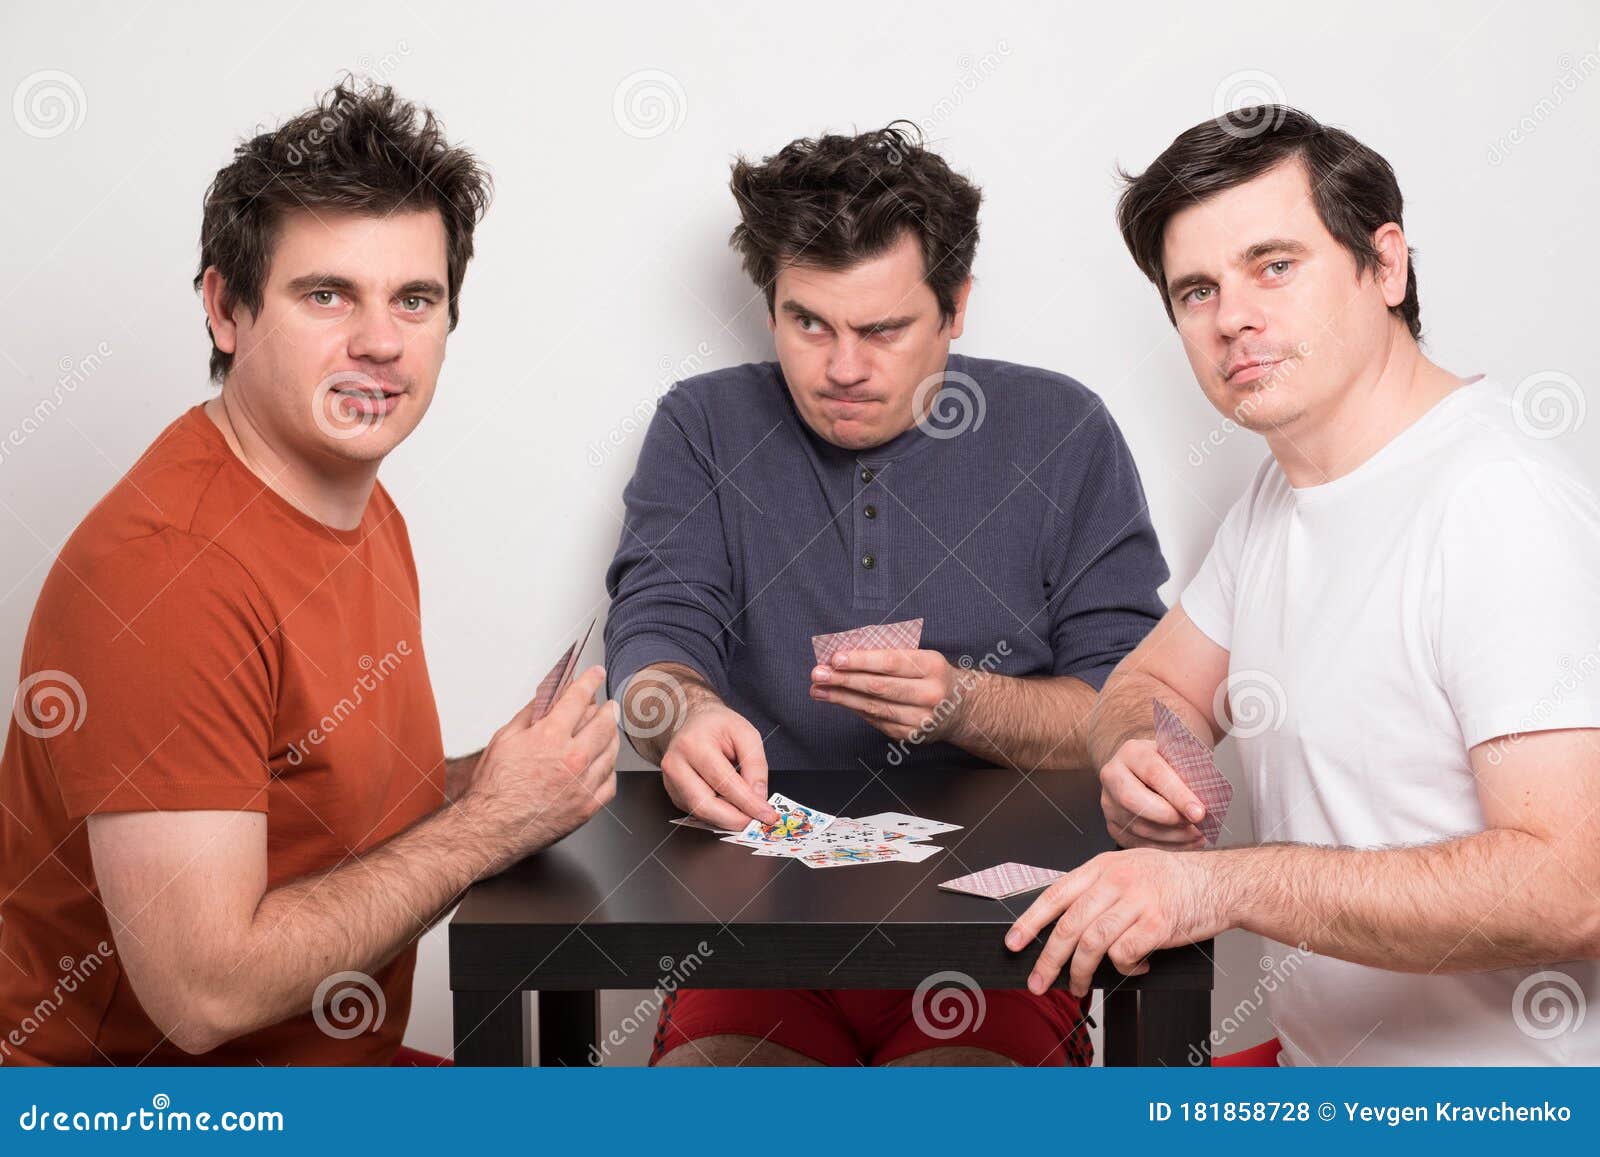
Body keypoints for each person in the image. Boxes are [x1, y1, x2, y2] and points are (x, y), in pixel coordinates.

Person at [0, 81, 619, 1066]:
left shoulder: (362, 507)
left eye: (413, 298)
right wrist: (489, 824)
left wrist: (493, 781)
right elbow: (205, 991)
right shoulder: (166, 576)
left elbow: (317, 813)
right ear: (226, 309)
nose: (380, 340)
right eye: (326, 293)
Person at [1007, 106, 1600, 1065]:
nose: (1232, 316)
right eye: (1196, 290)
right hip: (1317, 1070)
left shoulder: (1499, 504)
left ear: (1387, 265)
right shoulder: (1284, 490)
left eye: (1273, 265)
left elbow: (1574, 887)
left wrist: (1216, 887)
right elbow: (1154, 686)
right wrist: (1146, 760)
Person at [605, 123, 1169, 1066]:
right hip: (751, 938)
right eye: (807, 323)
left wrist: (964, 702)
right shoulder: (703, 423)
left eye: (884, 329)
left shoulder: (1061, 430)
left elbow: (1130, 717)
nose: (843, 369)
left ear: (956, 308)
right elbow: (657, 626)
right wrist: (681, 714)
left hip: (1002, 949)